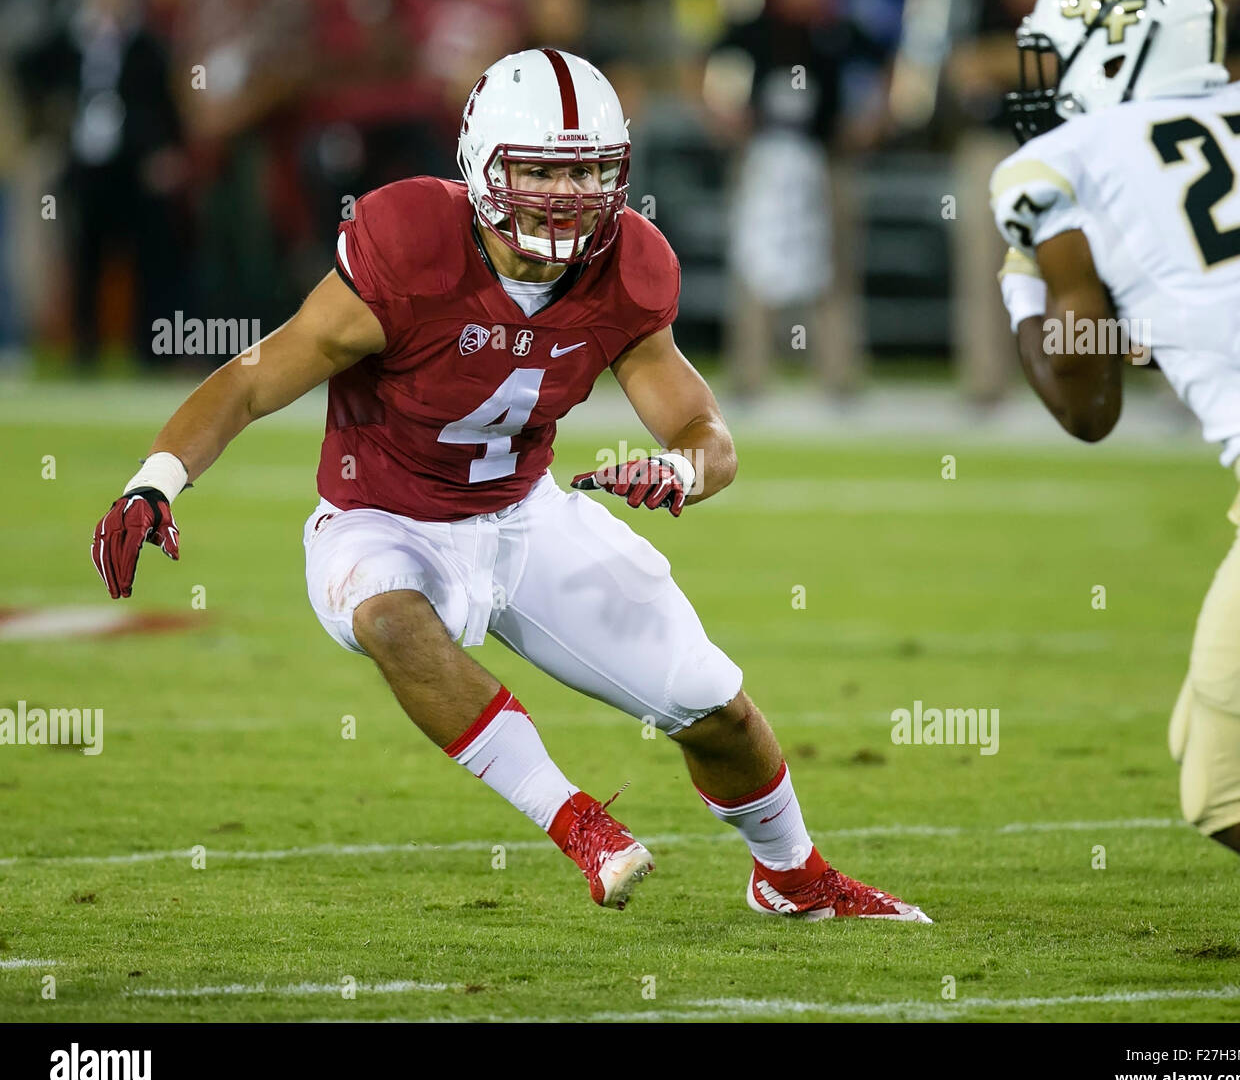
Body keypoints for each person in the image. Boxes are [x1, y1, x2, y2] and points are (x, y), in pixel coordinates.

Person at [92, 48, 931, 922]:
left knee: (710, 702)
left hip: (524, 517)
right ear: (481, 163)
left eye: (588, 174)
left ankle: (793, 877)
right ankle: (579, 824)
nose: (564, 197)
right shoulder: (409, 244)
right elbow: (257, 377)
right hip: (380, 516)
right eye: (537, 169)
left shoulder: (625, 265)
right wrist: (157, 480)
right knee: (387, 611)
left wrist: (679, 467)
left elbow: (706, 432)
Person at [990, 0, 1240, 886]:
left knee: (1229, 787)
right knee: (1228, 736)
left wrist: (1022, 287)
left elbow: (1088, 406)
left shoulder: (1066, 162)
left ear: (1115, 50)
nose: (1044, 78)